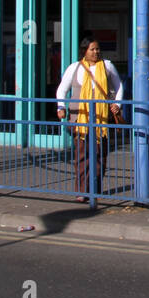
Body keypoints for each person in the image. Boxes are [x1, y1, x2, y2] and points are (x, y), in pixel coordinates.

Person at [56, 37, 124, 202]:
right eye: (92, 49)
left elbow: (119, 85)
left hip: (101, 120)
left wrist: (117, 104)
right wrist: (61, 107)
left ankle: (96, 190)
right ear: (84, 51)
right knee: (82, 156)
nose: (96, 52)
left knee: (100, 156)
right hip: (80, 119)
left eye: (97, 49)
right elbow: (61, 90)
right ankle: (82, 191)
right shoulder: (74, 68)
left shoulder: (107, 65)